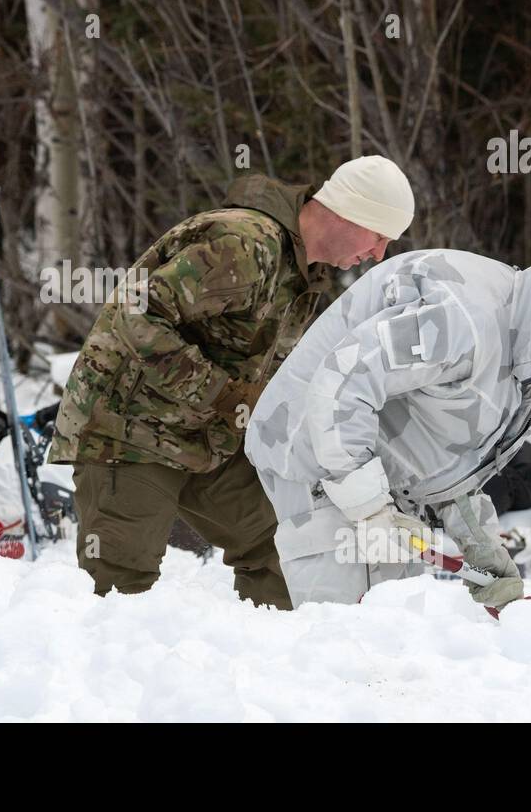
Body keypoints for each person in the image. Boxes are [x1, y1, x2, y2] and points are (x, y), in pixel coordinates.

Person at [49, 156, 415, 609]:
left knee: (287, 547)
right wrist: (223, 396)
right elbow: (137, 313)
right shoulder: (244, 244)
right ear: (347, 213)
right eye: (378, 236)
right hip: (129, 429)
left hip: (209, 438)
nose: (378, 254)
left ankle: (266, 662)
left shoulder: (304, 275)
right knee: (122, 590)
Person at [244, 248, 531, 611]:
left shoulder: (522, 350)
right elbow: (343, 381)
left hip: (375, 479)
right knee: (350, 635)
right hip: (312, 454)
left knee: (390, 621)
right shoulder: (466, 319)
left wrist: (480, 543)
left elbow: (442, 459)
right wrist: (369, 508)